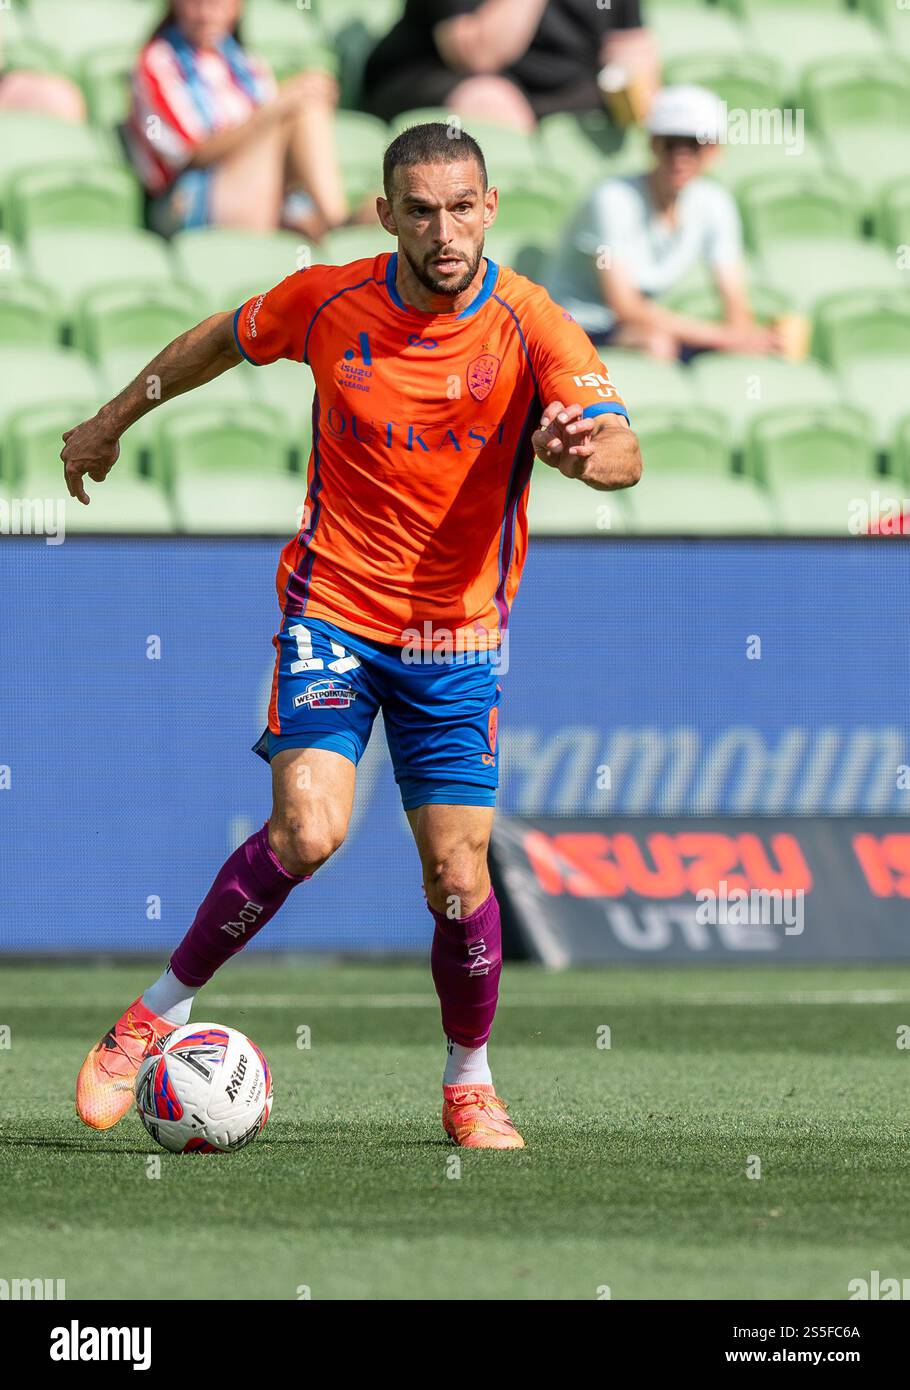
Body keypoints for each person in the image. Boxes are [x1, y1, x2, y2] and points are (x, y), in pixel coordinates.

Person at [63, 122, 640, 1152]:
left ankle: (470, 1083)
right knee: (308, 832)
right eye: (420, 210)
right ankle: (155, 1010)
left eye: (462, 206)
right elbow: (216, 338)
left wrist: (581, 451)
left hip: (457, 640)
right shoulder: (330, 299)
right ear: (386, 216)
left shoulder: (530, 321)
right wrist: (113, 419)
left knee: (458, 879)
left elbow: (622, 449)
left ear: (490, 206)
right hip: (334, 610)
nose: (444, 229)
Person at [545, 85, 783, 359]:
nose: (681, 157)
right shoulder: (611, 200)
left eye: (694, 145)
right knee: (657, 345)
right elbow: (625, 305)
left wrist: (742, 338)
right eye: (671, 143)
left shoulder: (715, 203)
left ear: (714, 150)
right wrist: (727, 338)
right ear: (653, 144)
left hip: (630, 328)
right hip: (576, 326)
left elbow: (736, 303)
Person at [126, 0, 349, 238]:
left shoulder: (245, 62)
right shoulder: (156, 62)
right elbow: (191, 154)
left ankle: (335, 224)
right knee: (294, 108)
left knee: (306, 102)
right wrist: (272, 109)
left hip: (263, 187)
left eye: (218, 3)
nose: (206, 14)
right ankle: (338, 225)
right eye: (195, 3)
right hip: (191, 200)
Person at [362, 0, 658, 132]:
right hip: (434, 78)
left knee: (661, 113)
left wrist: (633, 87)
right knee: (492, 101)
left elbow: (629, 42)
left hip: (554, 90)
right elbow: (477, 54)